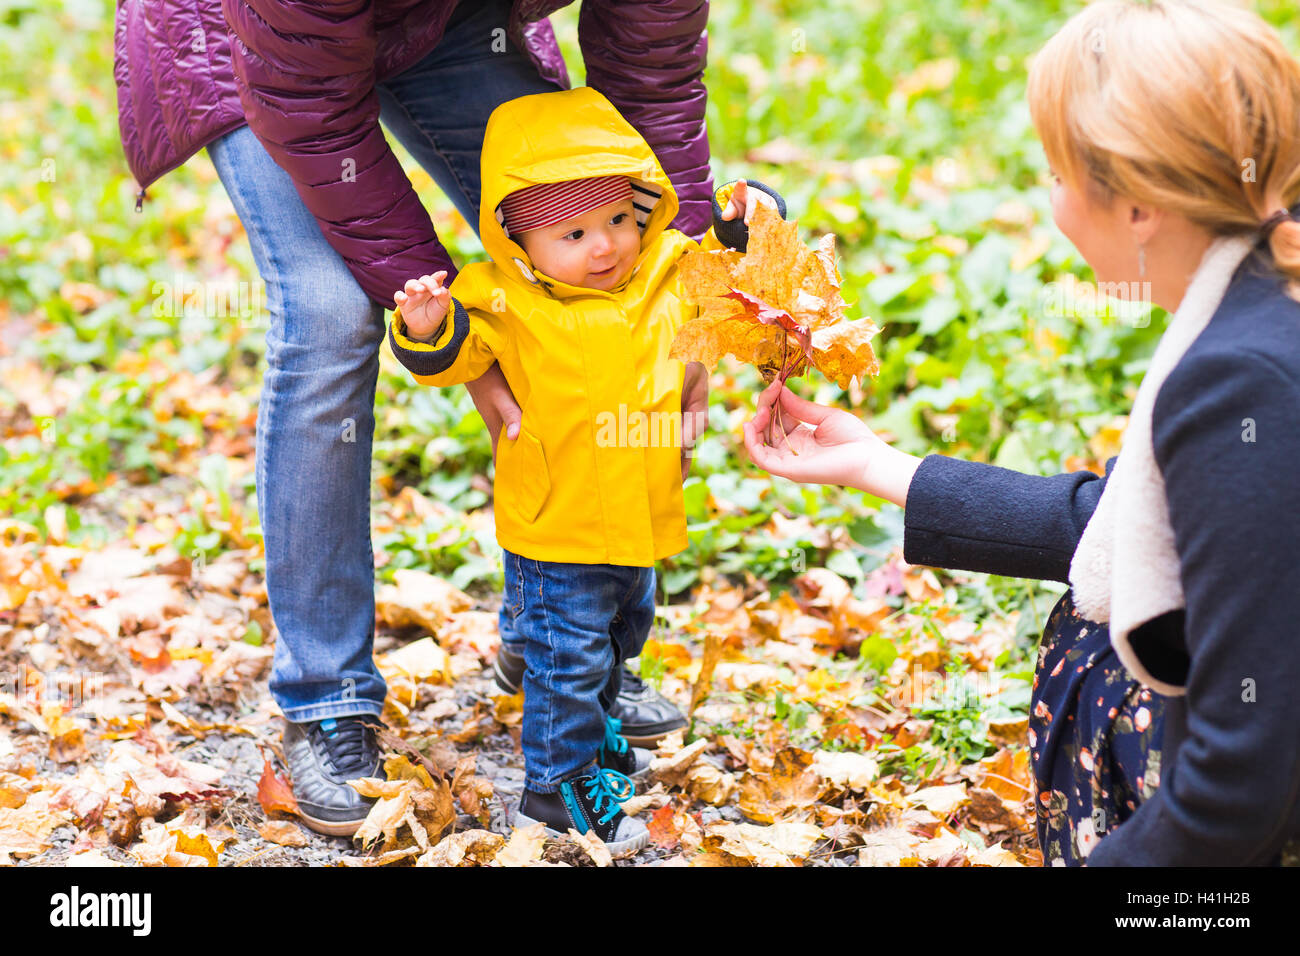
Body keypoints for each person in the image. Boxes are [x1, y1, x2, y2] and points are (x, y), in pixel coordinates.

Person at [114, 0, 709, 835]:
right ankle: (327, 695)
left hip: (448, 17)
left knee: (585, 252)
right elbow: (307, 103)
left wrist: (681, 309)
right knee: (330, 314)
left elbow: (654, 72)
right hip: (269, 48)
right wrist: (454, 327)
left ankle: (551, 627)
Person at [742, 0, 1300, 866]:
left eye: (1058, 174)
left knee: (1101, 649)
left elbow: (1243, 773)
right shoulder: (1258, 302)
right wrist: (880, 466)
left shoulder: (1239, 381)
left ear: (1141, 205)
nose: (1052, 203)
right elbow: (1127, 526)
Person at [387, 86, 785, 852]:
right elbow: (447, 360)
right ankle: (557, 791)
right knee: (566, 660)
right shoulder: (501, 300)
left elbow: (737, 271)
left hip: (638, 512)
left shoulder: (667, 272)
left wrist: (747, 215)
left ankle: (595, 734)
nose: (604, 247)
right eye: (572, 233)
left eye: (617, 220)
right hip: (556, 524)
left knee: (622, 632)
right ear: (516, 240)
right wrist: (426, 325)